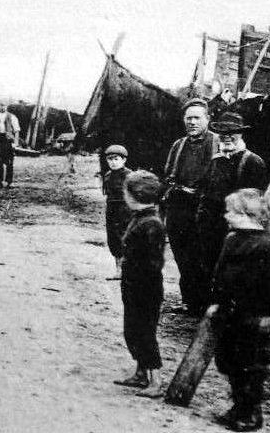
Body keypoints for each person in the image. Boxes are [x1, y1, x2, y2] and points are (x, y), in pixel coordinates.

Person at [208, 189, 270, 432]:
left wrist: (265, 314)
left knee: (249, 364)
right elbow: (220, 276)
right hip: (230, 314)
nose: (226, 216)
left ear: (246, 214)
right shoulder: (232, 240)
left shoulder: (264, 247)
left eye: (231, 212)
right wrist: (217, 301)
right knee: (229, 360)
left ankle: (251, 412)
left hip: (252, 316)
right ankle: (238, 406)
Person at [196, 112, 268, 306]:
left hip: (238, 228)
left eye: (233, 133)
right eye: (222, 133)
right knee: (212, 267)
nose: (227, 137)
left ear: (241, 135)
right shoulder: (215, 161)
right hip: (212, 228)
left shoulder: (253, 162)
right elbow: (205, 192)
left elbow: (254, 202)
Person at [161, 98, 218, 316]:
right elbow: (168, 174)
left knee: (204, 255)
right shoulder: (179, 145)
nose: (192, 122)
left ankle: (208, 302)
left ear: (207, 119)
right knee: (182, 255)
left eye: (197, 118)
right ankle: (190, 301)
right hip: (179, 207)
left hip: (205, 208)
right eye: (189, 118)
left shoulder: (217, 142)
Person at [113, 170, 167, 397]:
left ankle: (155, 381)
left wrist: (139, 280)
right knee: (133, 330)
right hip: (133, 285)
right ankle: (141, 373)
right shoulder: (140, 217)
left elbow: (155, 263)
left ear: (134, 195)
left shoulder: (152, 223)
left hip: (145, 288)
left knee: (144, 332)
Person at [101, 145, 132, 279]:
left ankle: (129, 270)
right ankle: (118, 270)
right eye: (110, 159)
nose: (113, 162)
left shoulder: (129, 175)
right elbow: (106, 193)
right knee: (113, 239)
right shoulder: (107, 176)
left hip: (125, 210)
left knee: (125, 238)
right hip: (112, 210)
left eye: (116, 159)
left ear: (124, 160)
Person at [0, 103, 21, 188]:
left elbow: (17, 130)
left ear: (7, 106)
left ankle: (9, 182)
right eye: (1, 105)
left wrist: (16, 142)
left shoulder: (12, 117)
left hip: (8, 140)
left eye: (4, 105)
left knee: (9, 161)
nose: (2, 107)